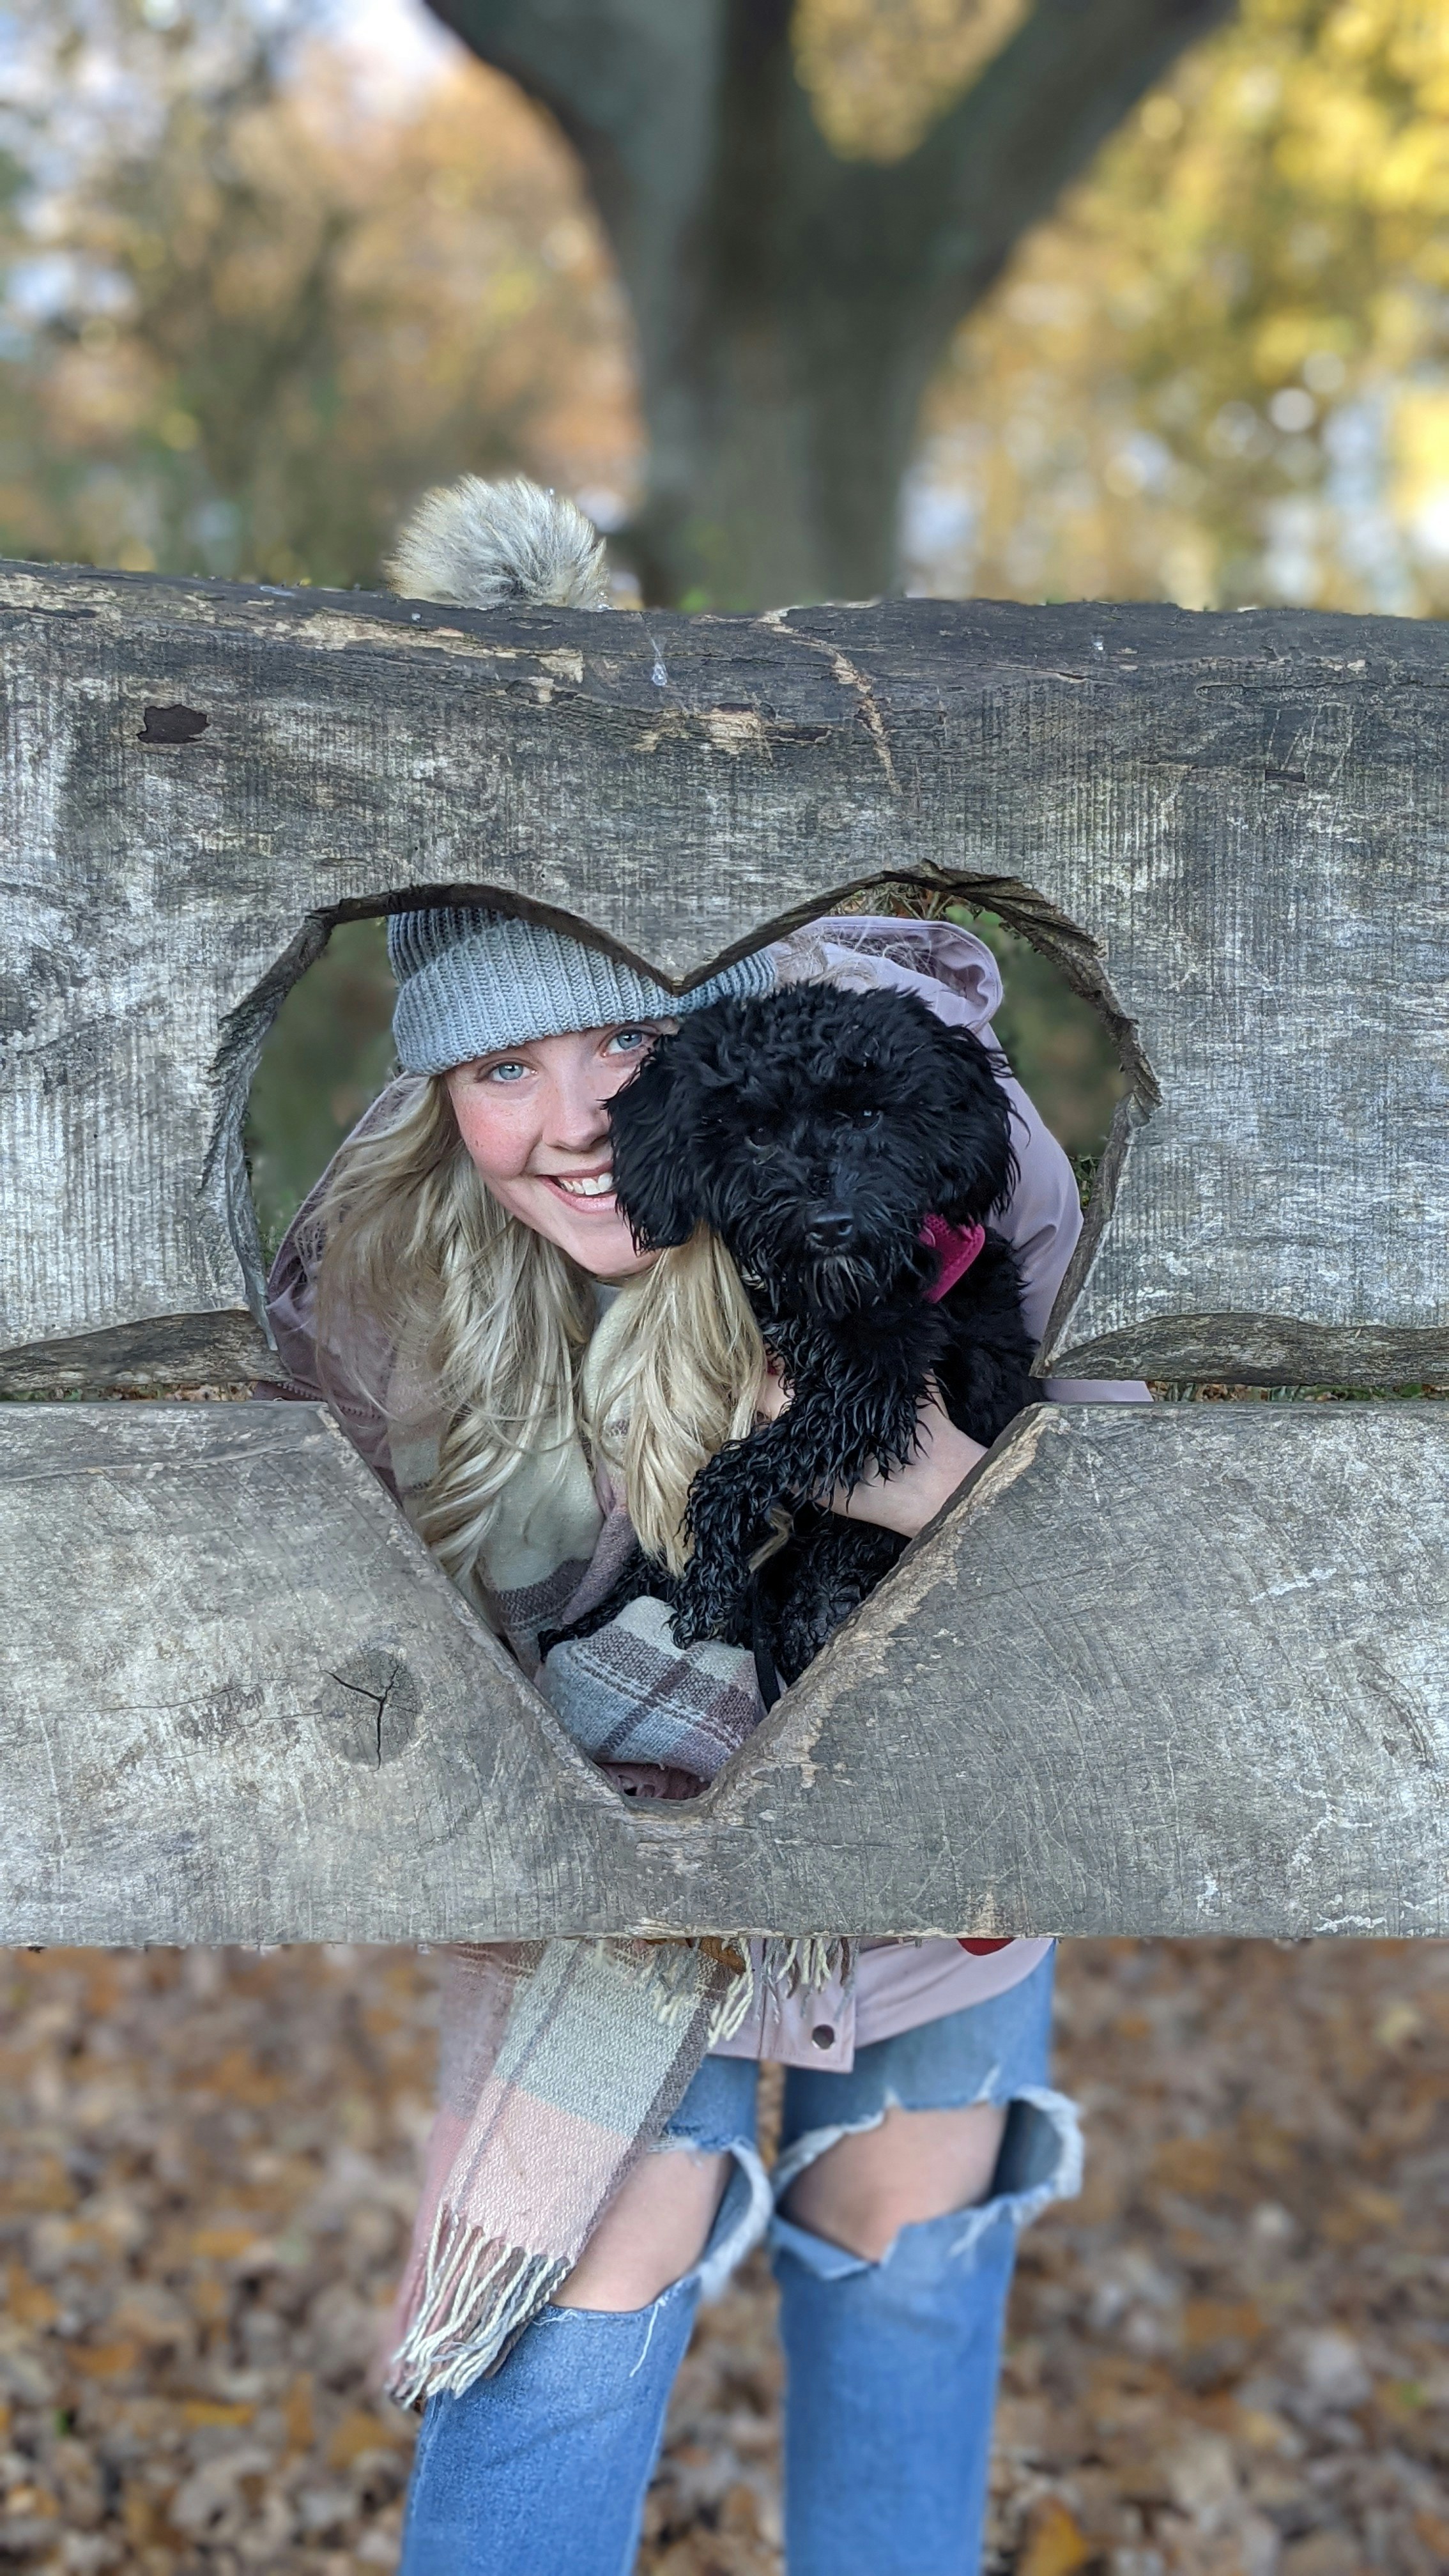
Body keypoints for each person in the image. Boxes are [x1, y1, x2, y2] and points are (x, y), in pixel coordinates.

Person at [262, 482, 1148, 2576]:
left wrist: (894, 1475)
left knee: (902, 2236)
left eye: (620, 1039)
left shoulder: (921, 1125)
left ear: (713, 1016)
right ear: (431, 1092)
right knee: (579, 2269)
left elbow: (1097, 1515)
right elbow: (344, 1650)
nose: (571, 1120)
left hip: (932, 1791)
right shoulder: (386, 1265)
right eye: (499, 1067)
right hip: (586, 1830)